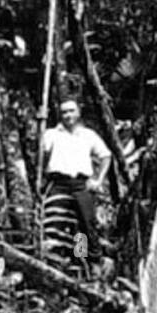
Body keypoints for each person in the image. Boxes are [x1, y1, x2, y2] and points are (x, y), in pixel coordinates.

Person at [41, 100, 111, 263]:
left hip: (81, 184)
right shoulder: (51, 134)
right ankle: (55, 261)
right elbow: (40, 156)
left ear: (78, 112)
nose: (68, 115)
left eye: (71, 111)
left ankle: (83, 261)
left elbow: (105, 156)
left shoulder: (88, 135)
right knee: (54, 223)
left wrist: (98, 180)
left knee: (84, 223)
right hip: (57, 184)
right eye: (64, 112)